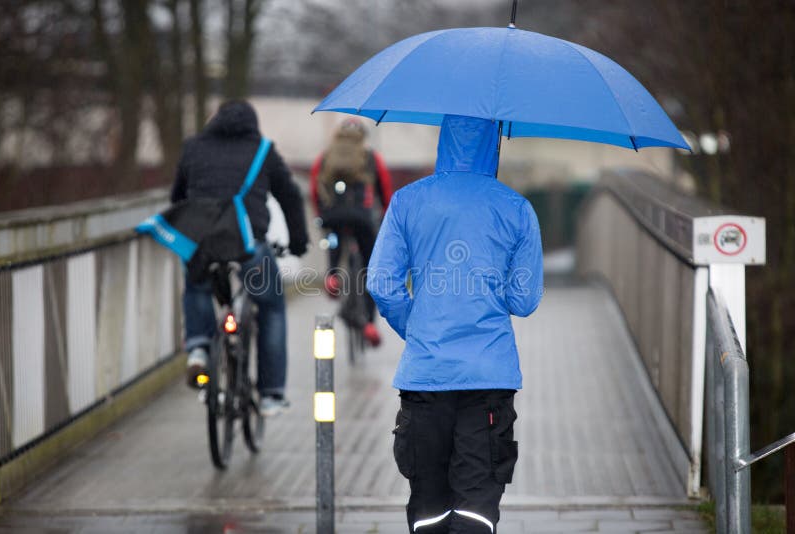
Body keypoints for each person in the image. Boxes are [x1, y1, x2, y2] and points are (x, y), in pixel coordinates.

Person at [367, 115, 543, 533]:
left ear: (444, 140)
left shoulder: (407, 201)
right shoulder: (515, 207)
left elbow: (381, 282)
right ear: (493, 145)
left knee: (428, 508)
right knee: (476, 509)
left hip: (425, 379)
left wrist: (419, 326)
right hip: (488, 382)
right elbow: (524, 300)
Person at [171, 100, 308, 416]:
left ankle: (198, 349)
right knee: (272, 306)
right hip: (248, 243)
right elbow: (290, 196)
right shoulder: (262, 150)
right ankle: (271, 393)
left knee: (197, 287)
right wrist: (298, 243)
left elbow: (177, 197)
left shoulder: (193, 147)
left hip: (201, 240)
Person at [309, 118, 393, 347]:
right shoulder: (370, 158)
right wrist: (385, 214)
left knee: (334, 240)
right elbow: (384, 189)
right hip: (362, 219)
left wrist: (321, 214)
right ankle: (368, 323)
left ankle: (332, 276)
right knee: (369, 267)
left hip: (333, 216)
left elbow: (315, 188)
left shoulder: (326, 157)